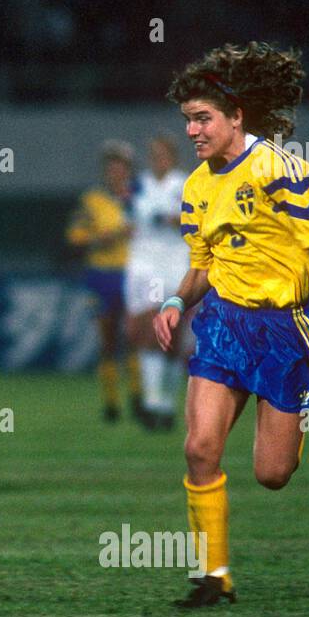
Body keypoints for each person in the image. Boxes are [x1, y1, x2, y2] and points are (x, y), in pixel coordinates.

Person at [154, 41, 309, 608]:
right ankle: (213, 578)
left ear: (236, 118)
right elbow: (202, 267)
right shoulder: (196, 187)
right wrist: (178, 303)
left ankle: (295, 417)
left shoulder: (279, 170)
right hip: (224, 326)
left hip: (286, 330)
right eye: (188, 121)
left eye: (203, 119)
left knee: (272, 474)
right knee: (199, 448)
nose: (193, 132)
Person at [66, 141, 141, 421]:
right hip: (101, 274)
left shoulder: (140, 198)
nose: (115, 172)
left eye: (120, 167)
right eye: (111, 168)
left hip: (133, 274)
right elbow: (75, 236)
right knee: (108, 339)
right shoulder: (92, 201)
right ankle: (111, 403)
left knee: (134, 337)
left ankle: (137, 397)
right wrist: (101, 238)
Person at [124, 135, 191, 430]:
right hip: (144, 263)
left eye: (163, 154)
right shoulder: (139, 184)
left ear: (173, 157)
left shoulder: (186, 183)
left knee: (173, 336)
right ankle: (151, 400)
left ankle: (166, 403)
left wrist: (169, 218)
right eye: (154, 154)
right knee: (149, 325)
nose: (158, 159)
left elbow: (194, 218)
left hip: (176, 261)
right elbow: (127, 218)